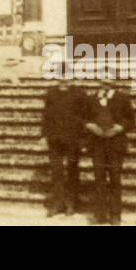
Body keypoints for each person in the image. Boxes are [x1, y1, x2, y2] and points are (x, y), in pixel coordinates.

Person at [84, 80, 136, 225]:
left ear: (114, 81)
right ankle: (100, 215)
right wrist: (90, 126)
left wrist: (120, 128)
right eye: (103, 79)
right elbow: (84, 119)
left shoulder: (122, 98)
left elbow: (131, 120)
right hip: (97, 144)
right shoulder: (92, 99)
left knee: (115, 179)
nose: (106, 83)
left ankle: (115, 215)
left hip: (115, 144)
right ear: (99, 81)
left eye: (109, 79)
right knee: (99, 179)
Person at [40, 67, 86, 217]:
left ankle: (71, 203)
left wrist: (83, 138)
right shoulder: (51, 93)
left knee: (72, 170)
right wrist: (43, 135)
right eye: (61, 76)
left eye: (67, 76)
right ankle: (57, 203)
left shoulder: (79, 93)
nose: (64, 79)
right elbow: (46, 115)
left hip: (73, 140)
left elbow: (85, 117)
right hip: (55, 140)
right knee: (56, 171)